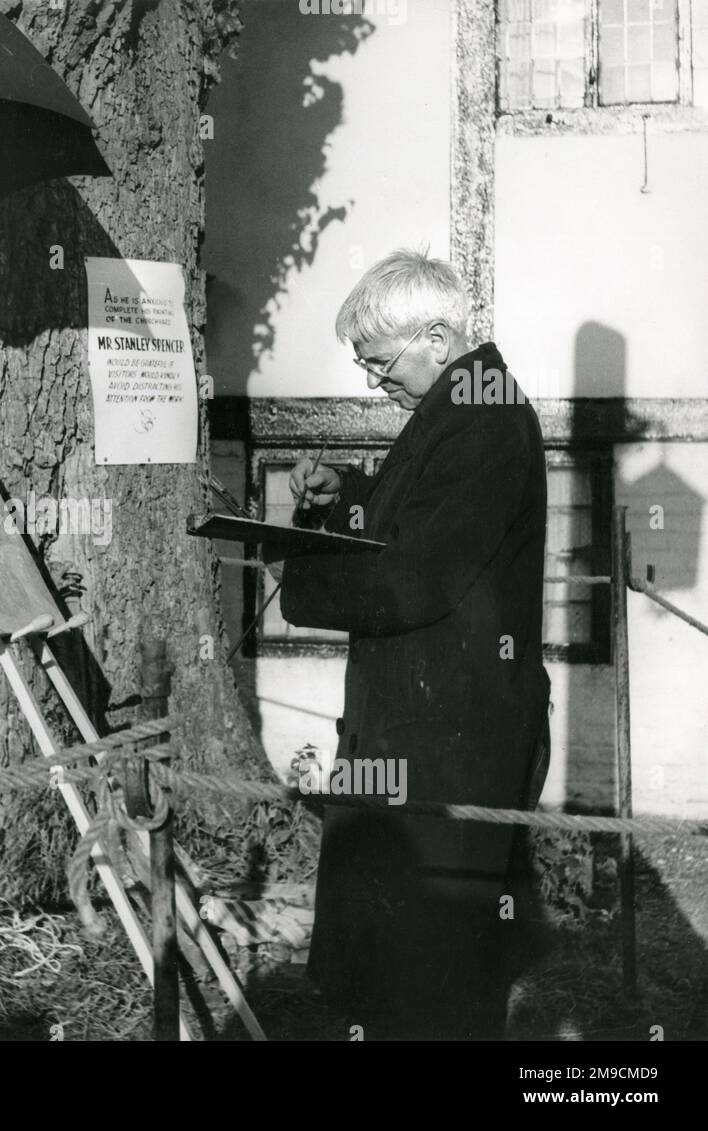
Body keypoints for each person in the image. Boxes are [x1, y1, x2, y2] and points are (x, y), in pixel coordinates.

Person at [280, 248, 552, 1040]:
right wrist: (349, 492)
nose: (374, 382)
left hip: (446, 749)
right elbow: (420, 525)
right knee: (405, 966)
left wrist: (298, 572)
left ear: (438, 336)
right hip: (418, 734)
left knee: (437, 977)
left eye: (380, 363)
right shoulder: (458, 408)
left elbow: (416, 579)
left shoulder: (487, 419)